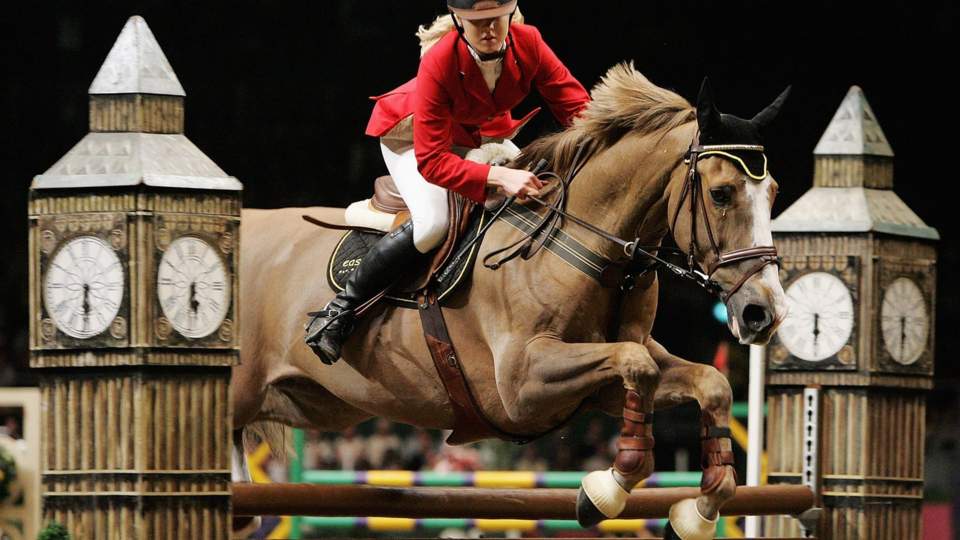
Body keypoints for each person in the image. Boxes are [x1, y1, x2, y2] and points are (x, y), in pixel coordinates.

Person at [305, 0, 590, 364]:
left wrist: (604, 139)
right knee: (432, 224)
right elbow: (434, 162)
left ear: (510, 16)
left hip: (477, 133)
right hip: (412, 138)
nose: (489, 30)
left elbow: (575, 106)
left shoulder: (528, 41)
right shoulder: (440, 60)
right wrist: (498, 175)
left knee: (540, 191)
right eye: (477, 22)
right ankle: (339, 312)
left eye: (496, 20)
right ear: (459, 20)